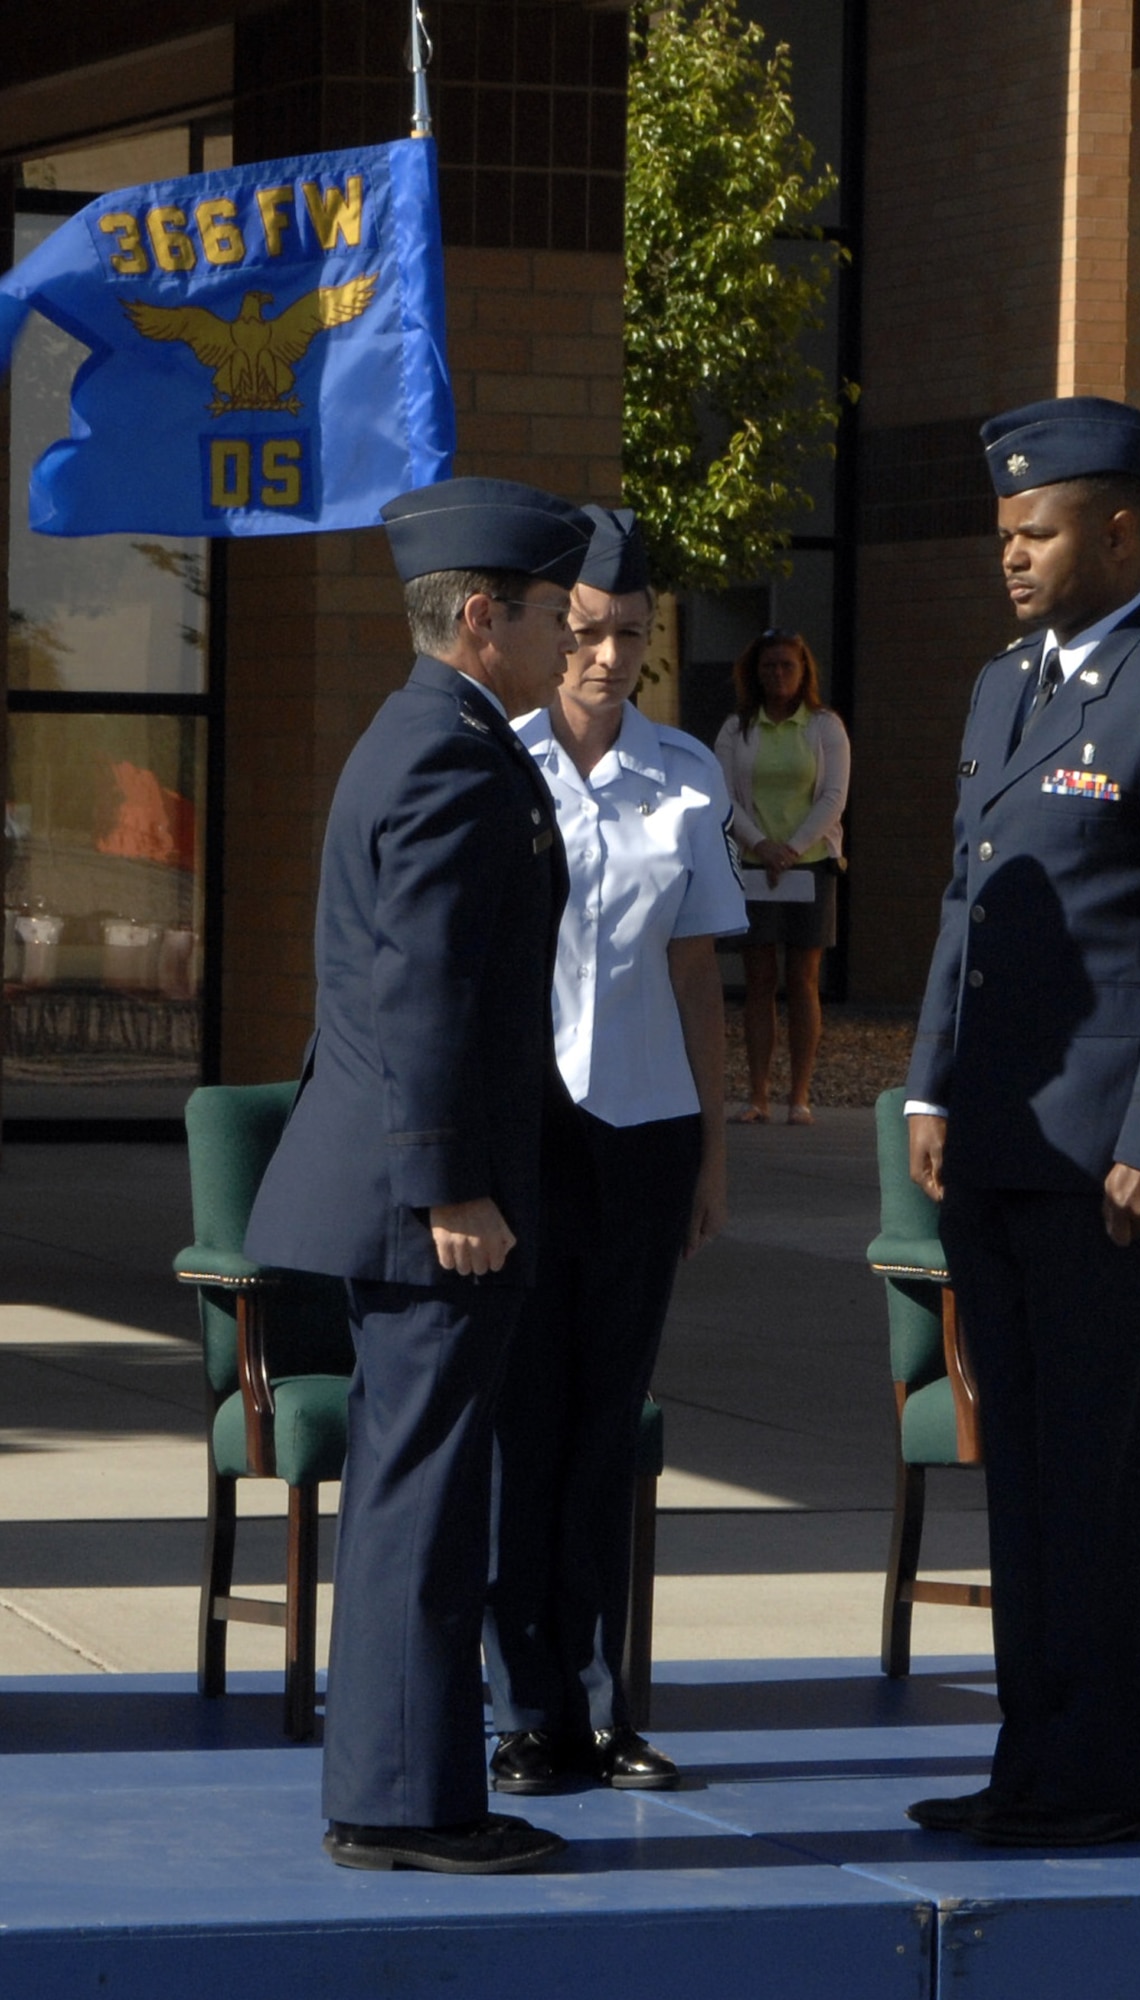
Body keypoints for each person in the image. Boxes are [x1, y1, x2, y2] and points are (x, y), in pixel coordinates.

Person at [903, 397, 1140, 1849]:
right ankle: (1031, 1762)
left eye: (1037, 530)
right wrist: (932, 1079)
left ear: (1118, 529)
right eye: (1002, 533)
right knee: (1024, 1472)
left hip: (1106, 1169)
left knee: (1095, 1471)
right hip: (998, 1147)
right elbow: (966, 904)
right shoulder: (1005, 690)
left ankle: (1109, 1773)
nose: (1012, 555)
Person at [244, 476, 594, 1875]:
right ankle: (401, 1803)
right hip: (426, 1205)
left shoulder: (436, 733)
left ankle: (409, 1788)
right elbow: (426, 990)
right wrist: (453, 1185)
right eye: (552, 615)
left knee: (424, 1494)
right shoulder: (448, 754)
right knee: (425, 1501)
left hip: (418, 1189)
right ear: (478, 617)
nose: (571, 638)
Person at [483, 507, 746, 1796]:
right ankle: (525, 1709)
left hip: (643, 1133)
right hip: (527, 1139)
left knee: (607, 1426)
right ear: (551, 625)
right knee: (523, 1427)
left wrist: (712, 1149)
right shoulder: (497, 759)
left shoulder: (688, 771)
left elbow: (696, 974)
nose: (604, 656)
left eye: (630, 633)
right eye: (585, 630)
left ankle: (602, 1705)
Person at [714, 630, 849, 1126]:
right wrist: (762, 846)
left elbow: (833, 796)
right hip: (754, 865)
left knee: (804, 979)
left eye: (787, 666)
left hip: (809, 866)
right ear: (755, 672)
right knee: (759, 981)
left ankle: (800, 1095)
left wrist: (791, 850)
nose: (778, 675)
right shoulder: (736, 729)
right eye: (769, 666)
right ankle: (758, 1096)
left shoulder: (824, 726)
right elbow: (722, 796)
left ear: (803, 671)